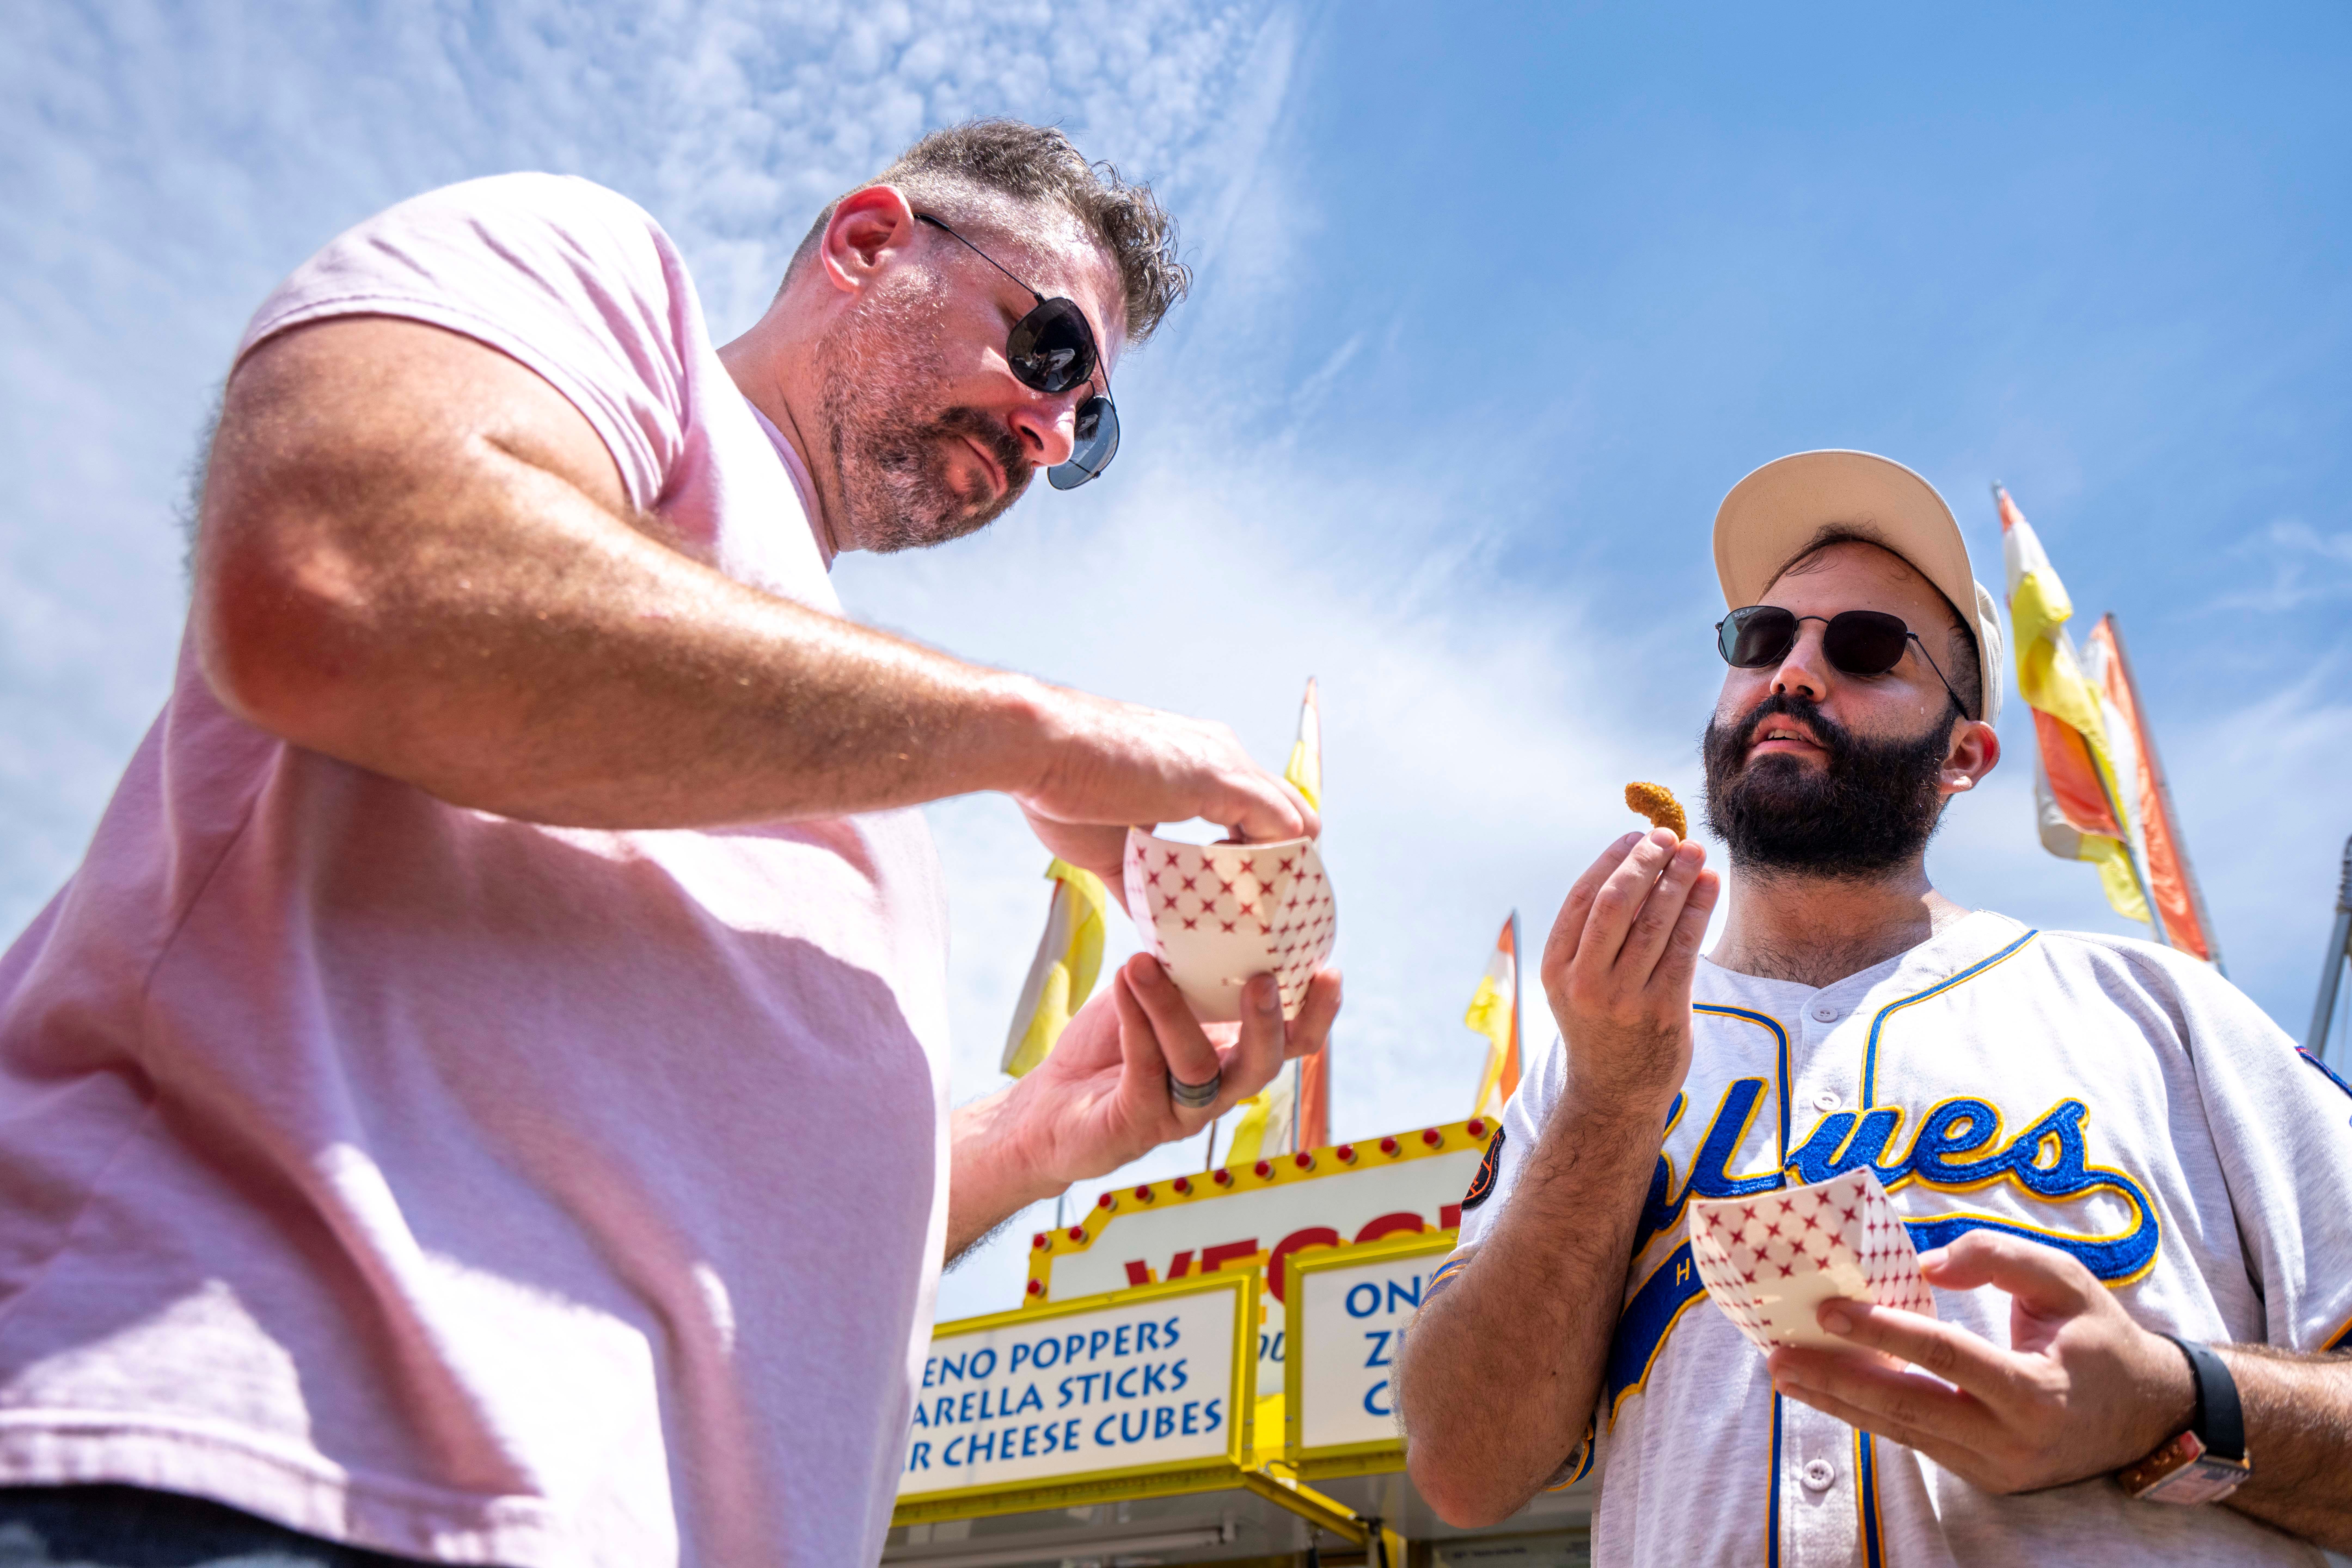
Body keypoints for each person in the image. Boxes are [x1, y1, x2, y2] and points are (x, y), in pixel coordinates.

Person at [0, 121, 1340, 1567]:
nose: (1054, 434)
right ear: (869, 243)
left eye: (1094, 430)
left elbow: (711, 1210)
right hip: (247, 1472)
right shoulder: (597, 287)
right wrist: (1046, 736)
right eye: (1055, 352)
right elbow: (341, 567)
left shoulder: (859, 753)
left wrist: (1029, 1142)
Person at [1396, 449, 2352, 1563]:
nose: (1797, 673)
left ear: (1964, 756)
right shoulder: (1594, 1058)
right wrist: (1609, 1104)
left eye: (1865, 648)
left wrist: (2167, 1405)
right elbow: (1464, 1469)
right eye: (1763, 638)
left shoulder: (2161, 1017)